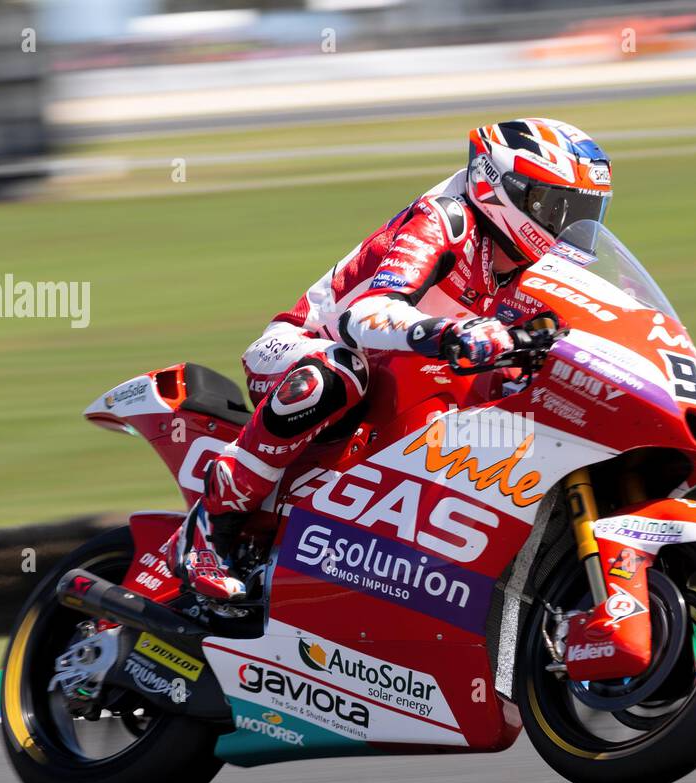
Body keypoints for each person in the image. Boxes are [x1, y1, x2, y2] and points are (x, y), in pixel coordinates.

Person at [163, 118, 614, 601]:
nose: (567, 226)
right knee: (339, 373)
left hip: (406, 379)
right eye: (556, 207)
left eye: (584, 212)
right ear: (497, 184)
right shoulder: (445, 220)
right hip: (300, 351)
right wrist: (444, 332)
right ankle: (210, 522)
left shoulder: (533, 269)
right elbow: (367, 314)